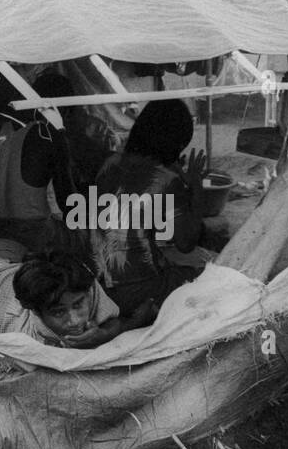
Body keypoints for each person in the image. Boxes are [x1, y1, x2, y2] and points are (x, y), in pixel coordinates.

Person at [89, 99, 207, 316]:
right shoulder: (167, 180)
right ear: (177, 143)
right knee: (209, 276)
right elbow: (186, 243)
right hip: (139, 290)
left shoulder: (109, 164)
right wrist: (196, 187)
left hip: (98, 286)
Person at [0, 240, 156, 348]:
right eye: (59, 312)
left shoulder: (82, 283)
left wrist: (105, 333)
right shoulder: (21, 336)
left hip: (15, 253)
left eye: (78, 305)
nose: (75, 320)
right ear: (36, 311)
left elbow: (113, 320)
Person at [0, 71, 78, 252]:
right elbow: (67, 198)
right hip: (33, 233)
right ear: (62, 107)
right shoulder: (48, 133)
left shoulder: (2, 129)